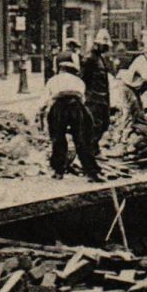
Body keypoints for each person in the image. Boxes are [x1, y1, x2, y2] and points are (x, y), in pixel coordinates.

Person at [41, 52, 101, 182]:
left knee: (58, 139)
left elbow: (45, 100)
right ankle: (91, 172)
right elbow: (83, 98)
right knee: (82, 139)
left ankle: (58, 171)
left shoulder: (53, 80)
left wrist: (42, 112)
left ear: (60, 68)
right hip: (76, 107)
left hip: (59, 107)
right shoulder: (78, 81)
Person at [81, 29, 114, 154]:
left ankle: (93, 148)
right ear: (97, 44)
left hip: (103, 98)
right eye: (104, 45)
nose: (106, 48)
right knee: (95, 125)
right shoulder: (89, 58)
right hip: (93, 98)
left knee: (105, 124)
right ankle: (90, 150)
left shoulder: (100, 58)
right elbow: (83, 78)